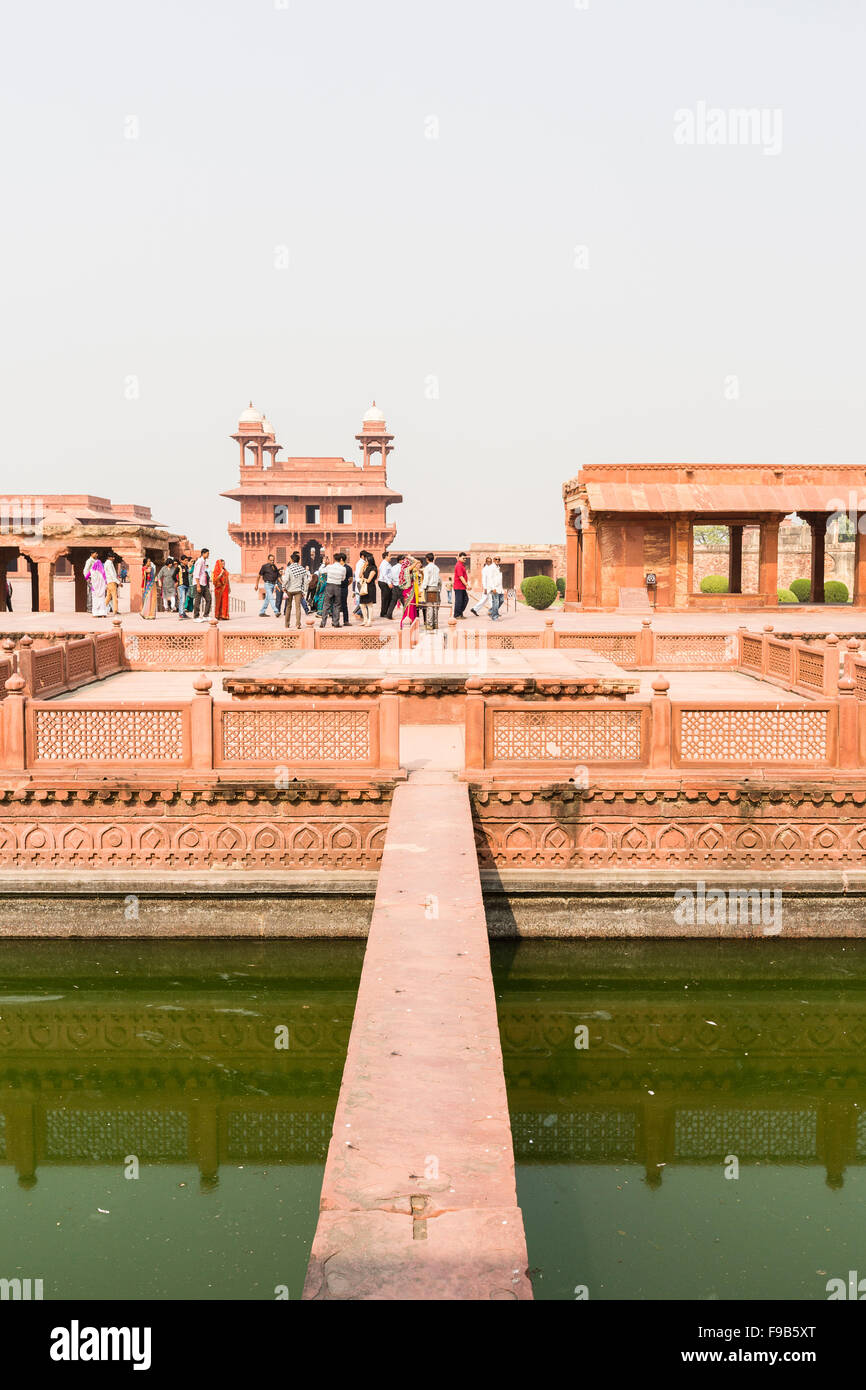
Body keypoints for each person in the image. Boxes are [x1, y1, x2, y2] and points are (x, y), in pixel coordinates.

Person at [320, 552, 346, 627]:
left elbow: (321, 571)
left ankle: (323, 623)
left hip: (329, 586)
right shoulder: (343, 568)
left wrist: (323, 563)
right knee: (337, 605)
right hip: (337, 586)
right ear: (340, 559)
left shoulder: (329, 567)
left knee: (326, 604)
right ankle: (335, 623)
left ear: (334, 559)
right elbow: (343, 578)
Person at [282, 551, 307, 629]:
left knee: (288, 607)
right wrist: (304, 591)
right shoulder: (302, 569)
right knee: (298, 607)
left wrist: (283, 587)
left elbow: (286, 579)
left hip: (289, 590)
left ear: (292, 560)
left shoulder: (289, 568)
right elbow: (305, 581)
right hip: (298, 590)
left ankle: (287, 624)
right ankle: (298, 624)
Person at [84, 551, 108, 617]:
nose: (97, 554)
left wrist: (88, 579)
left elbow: (86, 576)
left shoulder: (92, 571)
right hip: (101, 588)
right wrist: (106, 585)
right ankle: (103, 613)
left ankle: (95, 613)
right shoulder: (102, 572)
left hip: (94, 587)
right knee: (102, 600)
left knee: (95, 599)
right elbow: (105, 579)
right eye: (96, 553)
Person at [421, 553, 441, 630]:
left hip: (429, 588)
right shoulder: (437, 568)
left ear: (427, 559)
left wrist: (422, 588)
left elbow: (426, 579)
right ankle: (435, 624)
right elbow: (439, 580)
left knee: (429, 607)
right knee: (435, 606)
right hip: (436, 588)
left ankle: (429, 624)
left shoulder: (427, 568)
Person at [358, 552, 378, 626]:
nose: (365, 562)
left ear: (370, 561)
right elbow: (360, 575)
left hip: (370, 587)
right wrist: (363, 567)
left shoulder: (373, 569)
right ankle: (365, 620)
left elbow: (369, 580)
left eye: (366, 561)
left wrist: (364, 579)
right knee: (362, 605)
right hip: (364, 587)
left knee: (369, 605)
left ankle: (369, 621)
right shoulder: (365, 567)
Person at [193, 548, 211, 620]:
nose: (208, 555)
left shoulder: (203, 561)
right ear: (203, 553)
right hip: (199, 584)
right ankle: (196, 616)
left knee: (209, 599)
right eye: (207, 553)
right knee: (198, 601)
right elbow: (196, 574)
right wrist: (198, 586)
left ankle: (206, 615)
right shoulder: (200, 561)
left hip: (204, 584)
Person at [453, 552, 469, 619]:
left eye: (465, 558)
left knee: (465, 599)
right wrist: (467, 585)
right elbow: (461, 576)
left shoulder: (462, 565)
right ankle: (457, 615)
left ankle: (460, 613)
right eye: (463, 558)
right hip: (458, 586)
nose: (465, 559)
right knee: (459, 601)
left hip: (462, 587)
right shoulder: (459, 565)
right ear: (459, 557)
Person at [489, 556, 505, 620]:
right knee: (496, 602)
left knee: (501, 600)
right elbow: (490, 579)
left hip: (500, 588)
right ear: (493, 560)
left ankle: (491, 611)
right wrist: (493, 588)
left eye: (499, 559)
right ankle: (494, 616)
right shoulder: (491, 567)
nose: (497, 560)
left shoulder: (498, 567)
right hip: (494, 588)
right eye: (496, 559)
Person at [378, 551, 393, 618]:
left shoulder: (388, 564)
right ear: (386, 556)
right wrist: (389, 583)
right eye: (390, 556)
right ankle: (383, 613)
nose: (391, 557)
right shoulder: (384, 564)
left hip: (387, 582)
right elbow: (384, 574)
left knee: (389, 597)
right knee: (385, 598)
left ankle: (386, 612)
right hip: (384, 582)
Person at [340, 552, 353, 626]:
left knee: (344, 604)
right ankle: (336, 620)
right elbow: (350, 580)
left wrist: (345, 585)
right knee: (337, 604)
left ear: (341, 559)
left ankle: (345, 621)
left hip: (343, 588)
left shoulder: (348, 568)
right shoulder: (346, 568)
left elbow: (350, 579)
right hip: (341, 587)